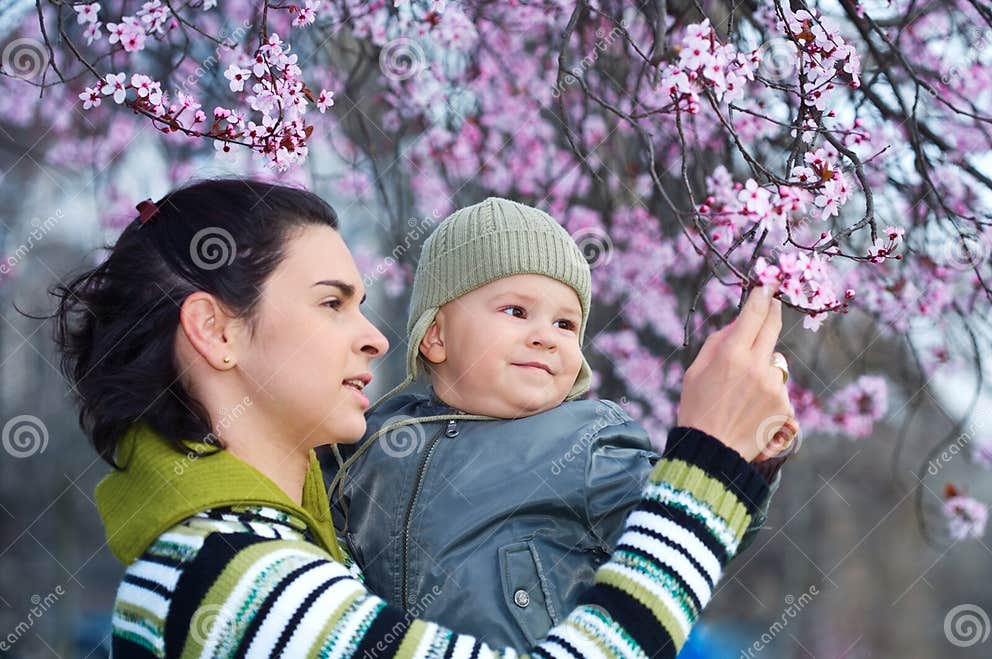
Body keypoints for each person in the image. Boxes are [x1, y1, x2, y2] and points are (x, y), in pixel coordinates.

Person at [53, 179, 794, 658]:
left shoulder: (263, 552)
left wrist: (737, 467)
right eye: (332, 301)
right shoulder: (237, 584)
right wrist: (704, 473)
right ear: (217, 331)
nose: (375, 336)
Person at [331, 197, 798, 647]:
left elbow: (687, 514)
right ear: (435, 336)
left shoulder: (588, 440)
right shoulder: (374, 437)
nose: (545, 338)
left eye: (565, 325)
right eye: (516, 312)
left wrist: (749, 456)